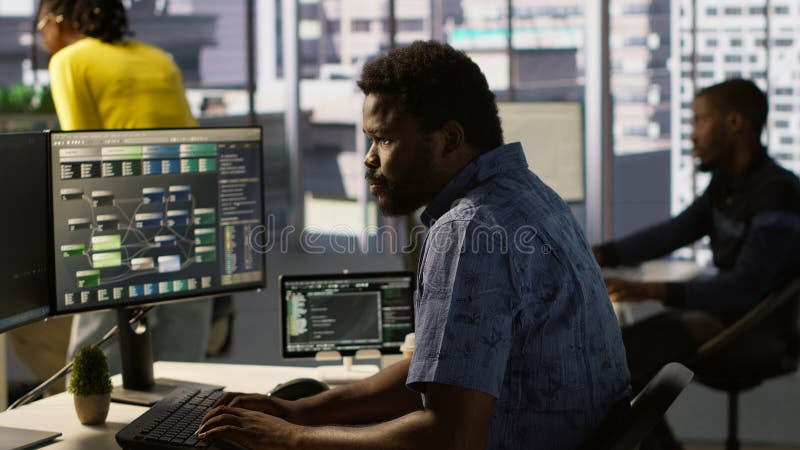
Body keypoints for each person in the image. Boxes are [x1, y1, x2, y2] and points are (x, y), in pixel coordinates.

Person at [197, 40, 630, 450]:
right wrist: (301, 412)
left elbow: (449, 437)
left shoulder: (466, 231)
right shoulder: (530, 194)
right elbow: (452, 367)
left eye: (384, 139)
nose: (369, 157)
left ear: (448, 139)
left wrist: (289, 438)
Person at [593, 79, 800, 448]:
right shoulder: (726, 185)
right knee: (619, 359)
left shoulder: (776, 192)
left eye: (700, 121)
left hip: (750, 329)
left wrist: (651, 291)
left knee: (615, 360)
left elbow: (744, 288)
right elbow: (672, 233)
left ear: (734, 122)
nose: (693, 135)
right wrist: (598, 254)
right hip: (725, 317)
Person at [36, 0, 212, 374]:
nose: (40, 32)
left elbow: (81, 151)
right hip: (192, 206)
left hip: (123, 205)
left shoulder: (69, 61)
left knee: (96, 352)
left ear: (60, 19)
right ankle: (177, 425)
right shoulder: (159, 59)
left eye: (42, 21)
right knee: (182, 356)